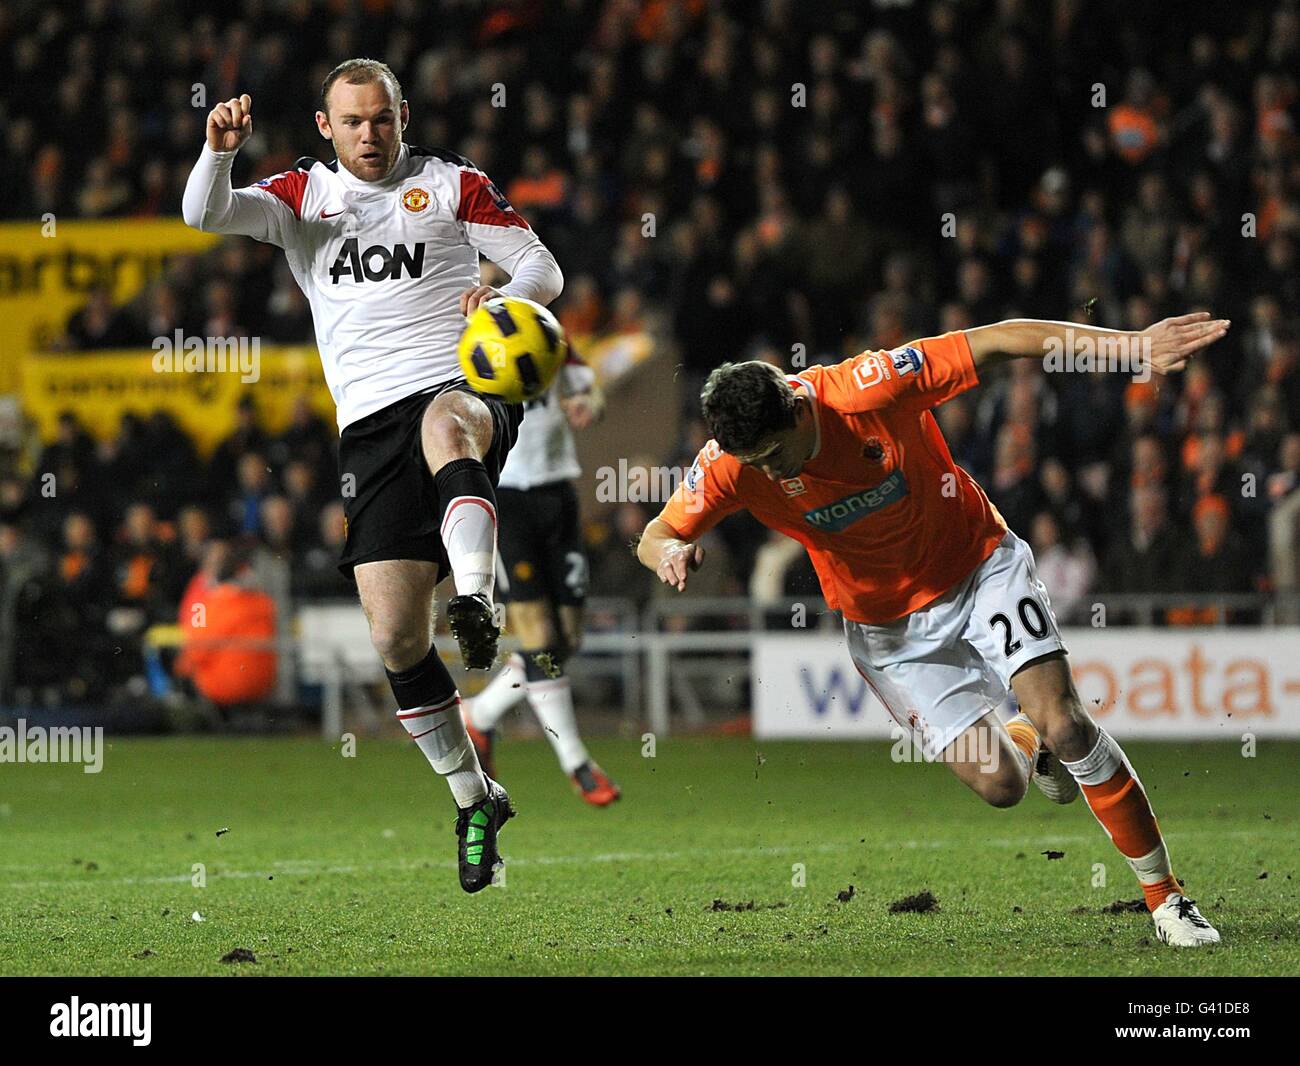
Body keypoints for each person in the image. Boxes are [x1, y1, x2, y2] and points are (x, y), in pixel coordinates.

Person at [638, 313, 1230, 948]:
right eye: (756, 463)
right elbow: (657, 534)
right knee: (1002, 784)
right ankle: (1027, 738)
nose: (773, 473)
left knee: (1068, 721)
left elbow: (1001, 339)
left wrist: (1133, 345)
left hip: (978, 566)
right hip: (889, 633)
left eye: (776, 454)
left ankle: (1166, 898)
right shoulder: (733, 464)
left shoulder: (869, 387)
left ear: (797, 408)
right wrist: (670, 553)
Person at [182, 60, 563, 892]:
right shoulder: (298, 197)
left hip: (463, 384)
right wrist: (218, 153)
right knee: (394, 636)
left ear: (403, 115)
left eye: (382, 119)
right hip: (369, 429)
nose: (369, 135)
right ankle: (474, 797)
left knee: (445, 421)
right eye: (352, 121)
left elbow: (544, 268)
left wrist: (497, 291)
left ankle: (475, 595)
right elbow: (204, 212)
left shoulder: (453, 184)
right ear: (325, 126)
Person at [463, 354, 620, 806]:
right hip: (504, 496)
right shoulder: (463, 341)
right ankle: (577, 762)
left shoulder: (545, 332)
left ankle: (480, 713)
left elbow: (588, 386)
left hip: (557, 495)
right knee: (538, 635)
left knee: (564, 641)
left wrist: (588, 403)